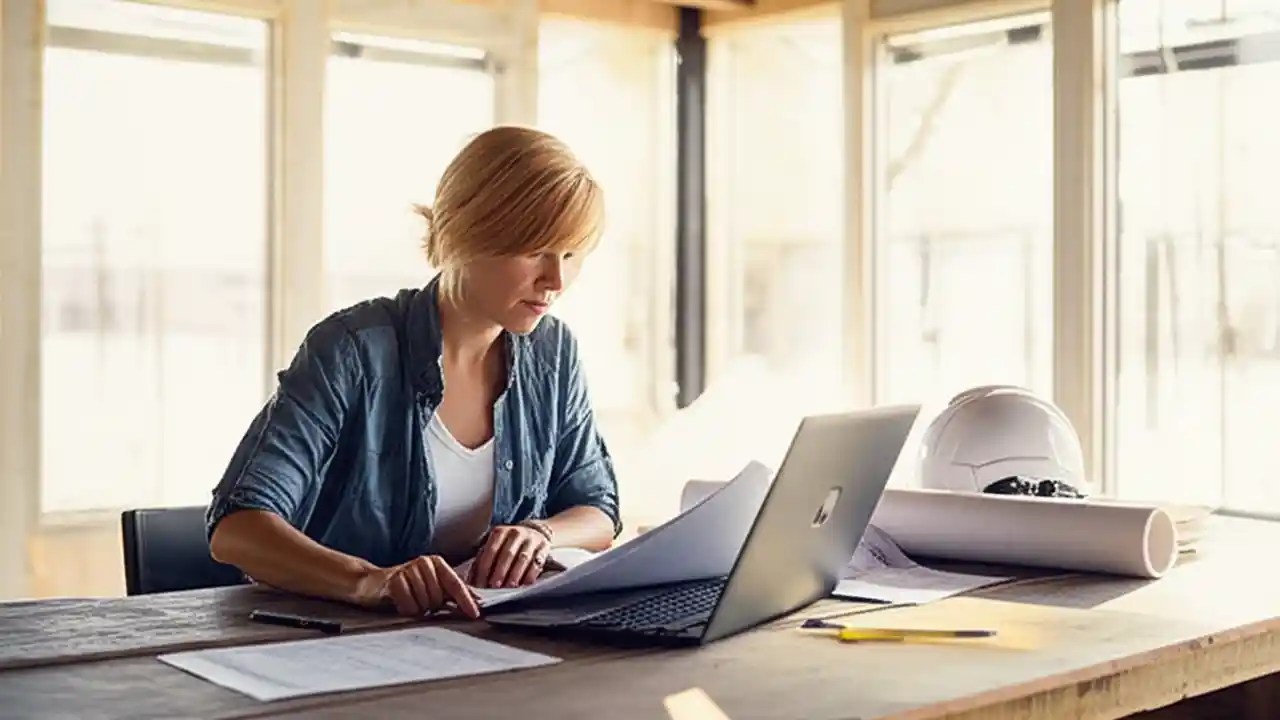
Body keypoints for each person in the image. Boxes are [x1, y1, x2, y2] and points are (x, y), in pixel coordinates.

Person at [206, 126, 621, 620]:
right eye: (535, 250)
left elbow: (598, 512)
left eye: (571, 254)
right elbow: (237, 528)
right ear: (469, 232)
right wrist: (368, 581)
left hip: (480, 643)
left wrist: (540, 533)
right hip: (331, 646)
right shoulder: (353, 350)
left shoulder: (553, 354)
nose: (556, 280)